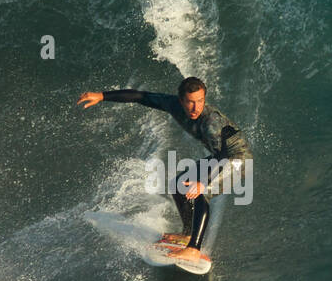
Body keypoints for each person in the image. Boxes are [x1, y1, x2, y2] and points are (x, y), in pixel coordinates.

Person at [77, 76, 252, 262]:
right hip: (221, 157)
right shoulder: (172, 104)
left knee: (200, 192)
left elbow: (222, 156)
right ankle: (187, 234)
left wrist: (203, 183)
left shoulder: (211, 123)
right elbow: (141, 96)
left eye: (200, 101)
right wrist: (102, 96)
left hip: (236, 161)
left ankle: (193, 248)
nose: (196, 107)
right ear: (181, 100)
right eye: (191, 102)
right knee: (178, 185)